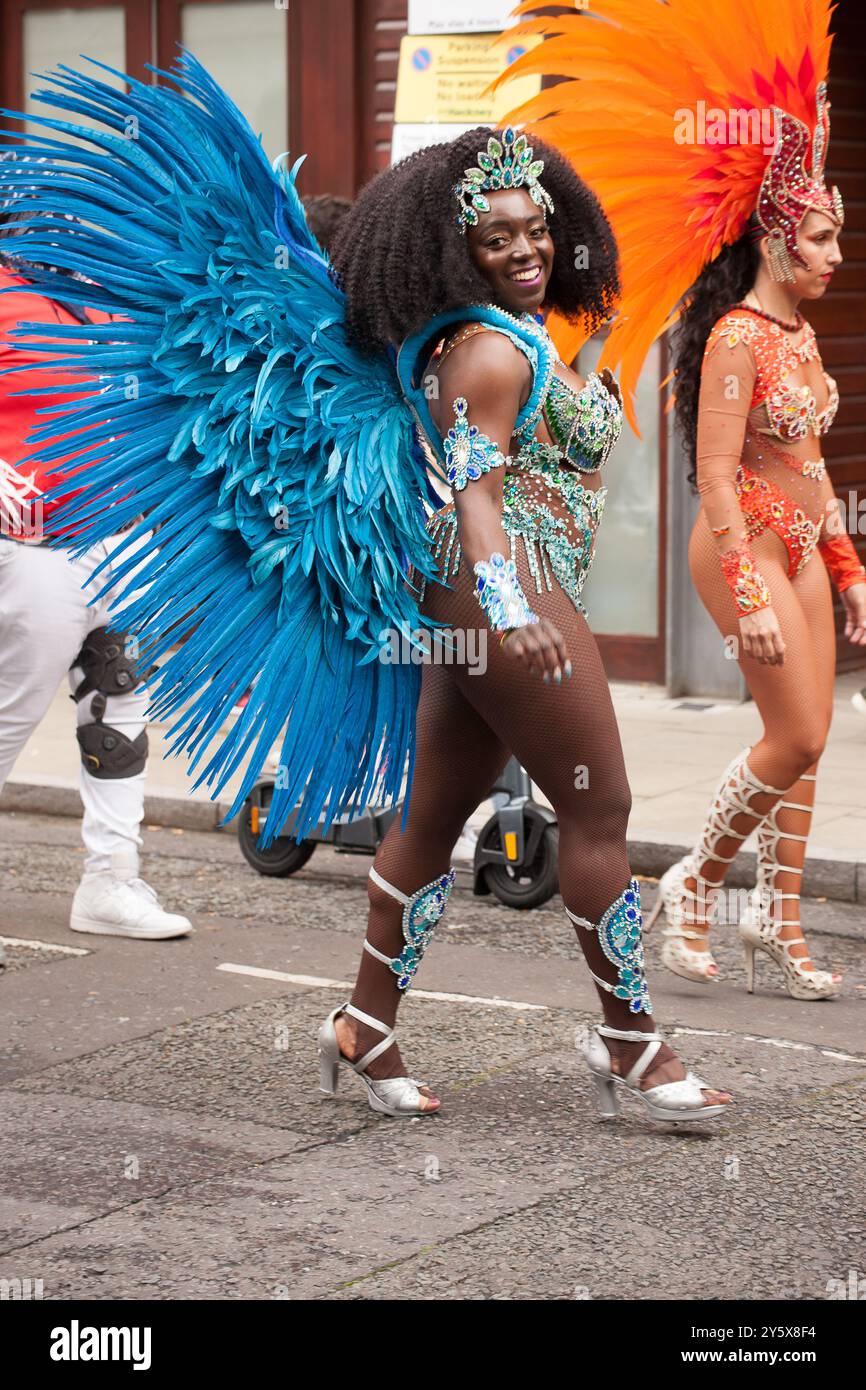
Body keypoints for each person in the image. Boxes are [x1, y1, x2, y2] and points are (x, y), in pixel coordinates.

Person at [0, 55, 731, 1123]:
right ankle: (630, 1043)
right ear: (455, 252)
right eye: (495, 238)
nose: (524, 248)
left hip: (474, 595)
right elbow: (478, 498)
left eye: (535, 227)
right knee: (598, 807)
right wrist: (515, 614)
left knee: (433, 813)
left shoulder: (506, 338)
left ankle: (363, 1027)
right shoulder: (484, 352)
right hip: (500, 588)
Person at [505, 0, 866, 1002]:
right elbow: (713, 475)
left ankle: (779, 926)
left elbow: (810, 466)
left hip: (796, 540)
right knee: (789, 734)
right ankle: (694, 876)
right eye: (823, 237)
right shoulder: (733, 341)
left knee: (811, 742)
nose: (836, 254)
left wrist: (844, 566)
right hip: (741, 543)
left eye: (838, 237)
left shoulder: (795, 338)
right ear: (775, 239)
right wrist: (747, 591)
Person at [0, 158, 193, 942]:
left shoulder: (115, 307)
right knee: (10, 711)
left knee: (117, 705)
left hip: (117, 540)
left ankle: (110, 881)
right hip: (29, 549)